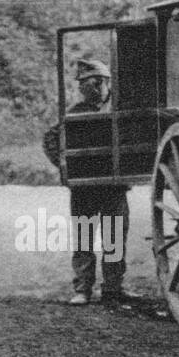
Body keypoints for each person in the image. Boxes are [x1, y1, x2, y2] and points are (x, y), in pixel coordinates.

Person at [42, 59, 130, 305]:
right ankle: (82, 289)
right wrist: (63, 165)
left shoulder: (121, 108)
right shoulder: (75, 113)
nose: (88, 89)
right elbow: (50, 138)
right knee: (84, 238)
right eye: (84, 85)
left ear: (105, 82)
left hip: (113, 186)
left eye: (93, 83)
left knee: (114, 238)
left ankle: (113, 288)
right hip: (84, 187)